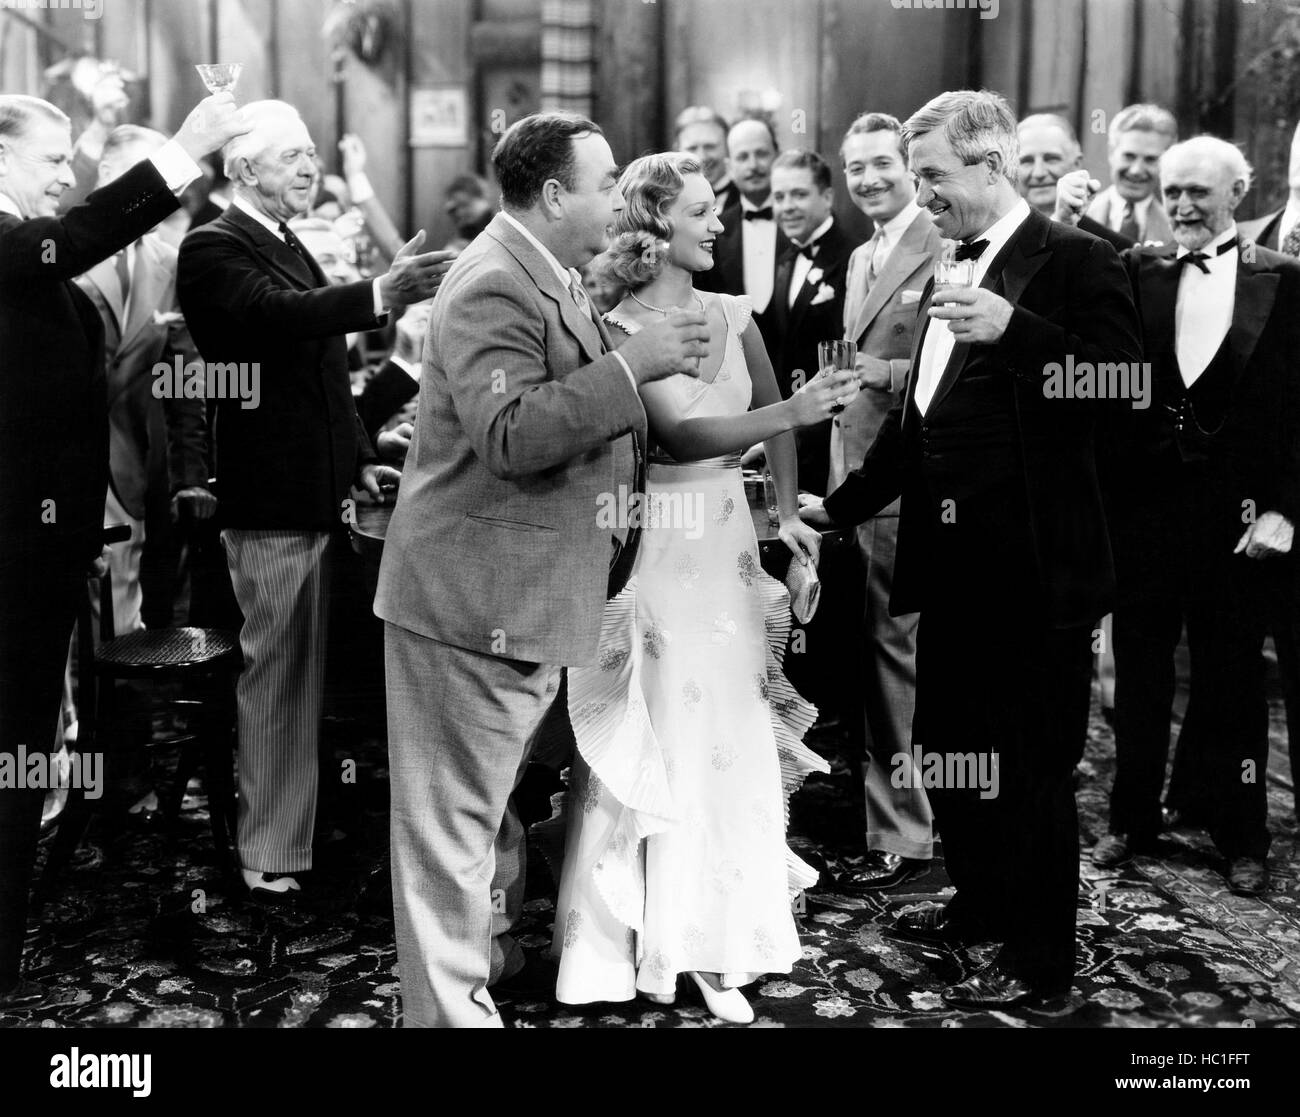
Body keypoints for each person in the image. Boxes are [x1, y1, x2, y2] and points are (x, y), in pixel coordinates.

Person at [801, 90, 1141, 1007]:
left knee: (1027, 770)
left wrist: (1017, 332)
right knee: (951, 751)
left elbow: (1124, 388)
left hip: (1036, 574)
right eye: (917, 176)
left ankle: (1041, 966)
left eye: (935, 176)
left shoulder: (1077, 261)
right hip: (951, 573)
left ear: (991, 167)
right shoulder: (948, 262)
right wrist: (834, 511)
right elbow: (920, 429)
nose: (923, 193)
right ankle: (980, 909)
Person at [373, 111, 712, 1028]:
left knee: (481, 819)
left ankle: (468, 983)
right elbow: (512, 434)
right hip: (469, 599)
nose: (619, 198)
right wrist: (633, 367)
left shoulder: (539, 269)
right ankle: (449, 1015)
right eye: (605, 183)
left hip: (517, 593)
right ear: (555, 194)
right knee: (447, 836)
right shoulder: (492, 280)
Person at [549, 151, 856, 1023]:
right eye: (700, 211)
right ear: (655, 227)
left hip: (728, 540)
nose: (720, 223)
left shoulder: (736, 311)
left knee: (734, 716)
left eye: (718, 208)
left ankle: (725, 937)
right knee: (667, 718)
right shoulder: (613, 326)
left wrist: (787, 517)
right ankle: (638, 943)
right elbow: (681, 436)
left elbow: (769, 405)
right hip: (660, 542)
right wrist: (793, 415)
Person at [0, 89, 248, 1008]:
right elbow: (80, 234)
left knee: (22, 746)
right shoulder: (17, 245)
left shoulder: (31, 252)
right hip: (20, 550)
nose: (67, 175)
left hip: (49, 539)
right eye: (52, 156)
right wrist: (183, 150)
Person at [177, 99, 450, 903]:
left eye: (312, 155)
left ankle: (295, 832)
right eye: (292, 156)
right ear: (243, 169)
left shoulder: (285, 243)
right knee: (280, 680)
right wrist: (380, 291)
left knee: (309, 677)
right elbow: (274, 321)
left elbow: (320, 376)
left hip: (314, 492)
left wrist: (359, 461)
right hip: (270, 502)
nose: (310, 167)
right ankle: (267, 849)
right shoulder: (213, 247)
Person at [1088, 137, 1300, 895]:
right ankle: (1130, 818)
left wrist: (1284, 509)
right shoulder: (1137, 270)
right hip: (1143, 518)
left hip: (1237, 526)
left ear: (1239, 193)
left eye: (1198, 195)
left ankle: (1242, 835)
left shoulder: (1286, 282)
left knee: (1231, 681)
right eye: (1171, 192)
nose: (1180, 206)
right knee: (1137, 680)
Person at [829, 111, 944, 891]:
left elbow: (955, 374)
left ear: (908, 165)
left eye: (881, 163)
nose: (868, 178)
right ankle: (885, 816)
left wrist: (882, 376)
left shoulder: (939, 245)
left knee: (896, 659)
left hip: (907, 483)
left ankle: (907, 835)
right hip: (856, 477)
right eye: (854, 167)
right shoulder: (861, 254)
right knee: (870, 657)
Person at [767, 148, 865, 496]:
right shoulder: (785, 259)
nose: (787, 206)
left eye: (799, 194)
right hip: (791, 431)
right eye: (779, 197)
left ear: (826, 197)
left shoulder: (853, 255)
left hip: (832, 433)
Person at [695, 113, 790, 346]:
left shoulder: (801, 222)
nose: (753, 165)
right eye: (742, 157)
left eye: (761, 154)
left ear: (777, 157)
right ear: (730, 166)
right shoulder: (713, 231)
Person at [1017, 112, 1133, 250]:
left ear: (1077, 164)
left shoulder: (1114, 246)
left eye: (1051, 159)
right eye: (1026, 161)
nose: (1039, 173)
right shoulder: (996, 234)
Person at [1082, 103, 1177, 246]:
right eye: (1129, 156)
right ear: (1111, 153)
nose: (1136, 170)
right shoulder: (1081, 215)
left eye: (1150, 159)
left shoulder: (1174, 229)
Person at [673, 105, 739, 214]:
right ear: (677, 151)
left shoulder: (746, 199)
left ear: (728, 148)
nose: (701, 157)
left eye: (710, 146)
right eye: (692, 148)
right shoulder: (668, 204)